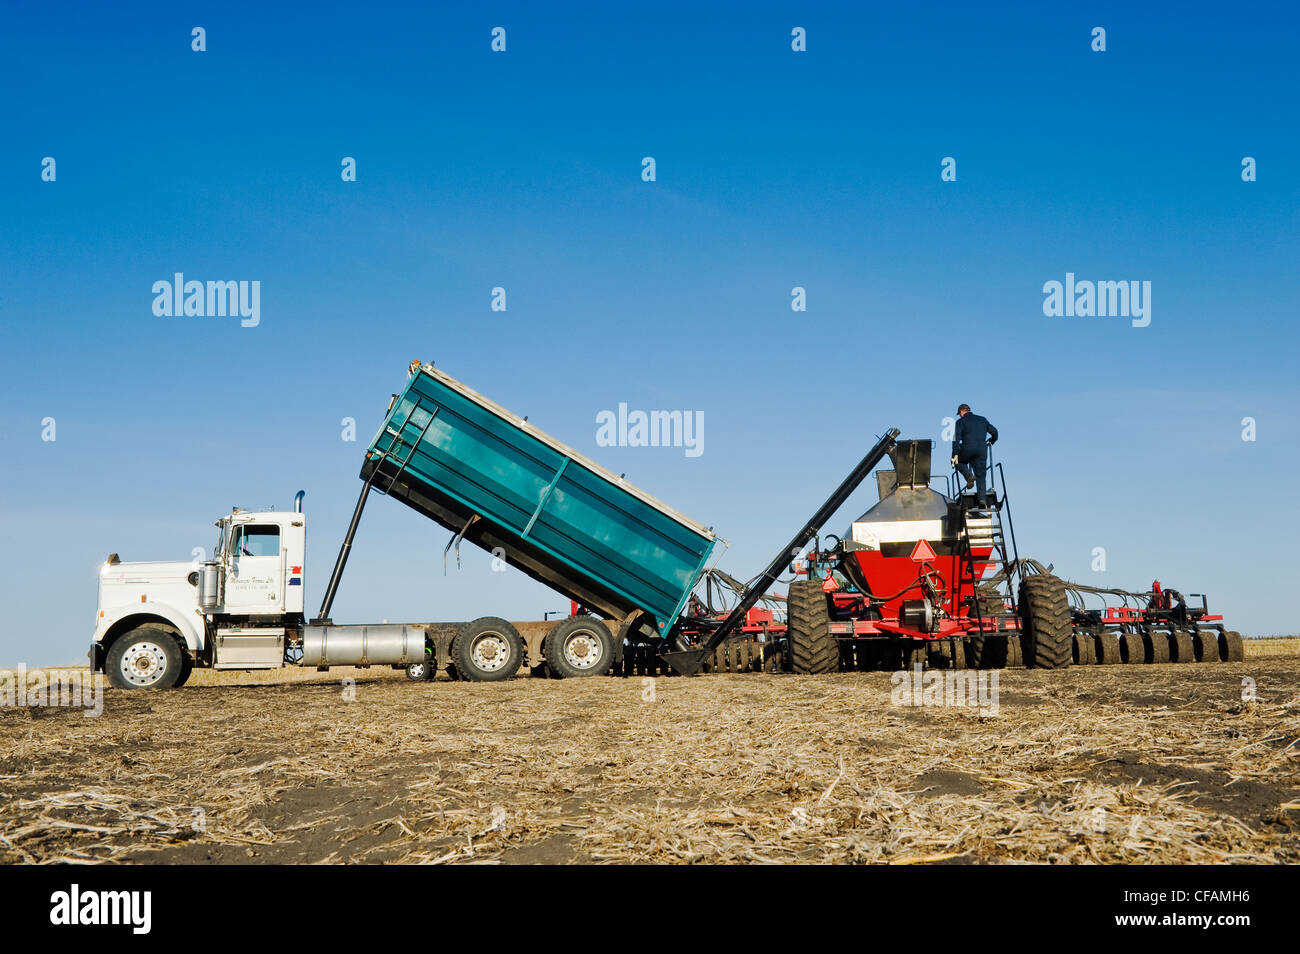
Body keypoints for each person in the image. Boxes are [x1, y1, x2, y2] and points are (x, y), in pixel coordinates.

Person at [951, 404, 998, 508]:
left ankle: (969, 476)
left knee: (959, 463)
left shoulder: (960, 422)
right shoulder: (982, 419)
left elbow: (956, 440)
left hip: (967, 449)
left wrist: (954, 455)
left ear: (962, 412)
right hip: (982, 450)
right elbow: (995, 432)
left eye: (959, 414)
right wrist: (992, 441)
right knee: (981, 475)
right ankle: (982, 500)